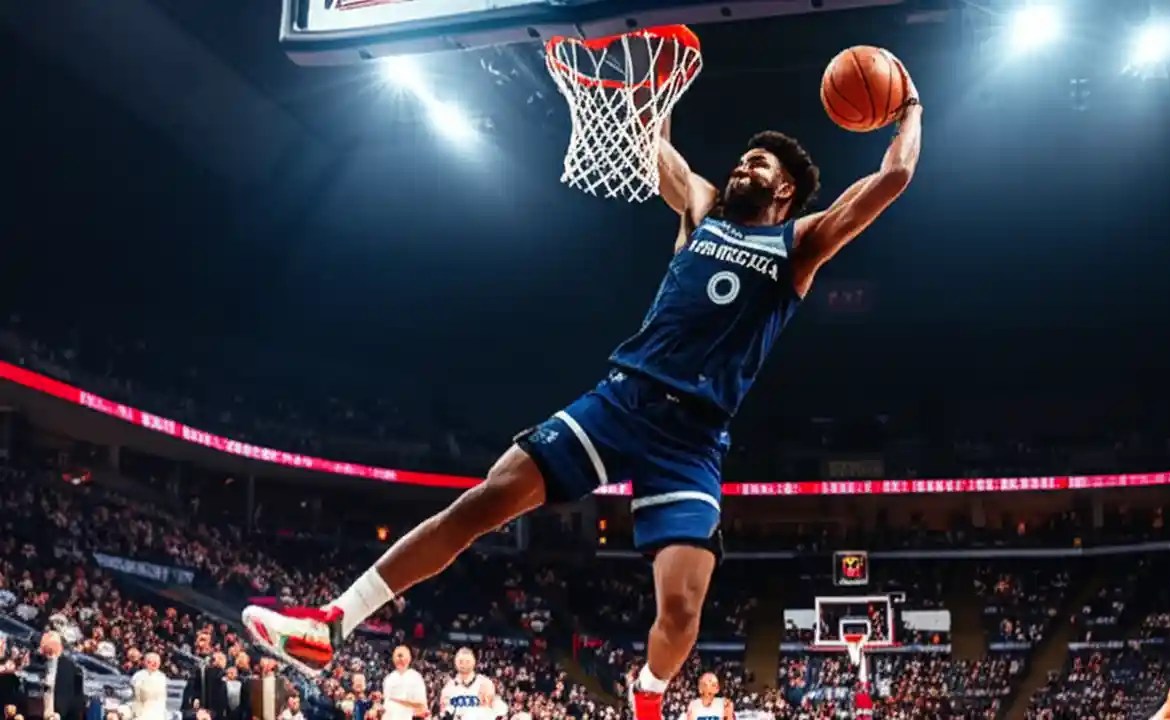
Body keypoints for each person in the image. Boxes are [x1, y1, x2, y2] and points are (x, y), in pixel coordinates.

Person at [243, 52, 922, 720]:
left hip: (691, 439)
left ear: (783, 192)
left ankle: (648, 691)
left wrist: (909, 105)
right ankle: (331, 623)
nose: (744, 166)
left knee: (682, 610)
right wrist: (652, 78)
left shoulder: (798, 246)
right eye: (745, 157)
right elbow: (653, 143)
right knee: (484, 501)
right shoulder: (703, 209)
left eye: (760, 165)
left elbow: (893, 177)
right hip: (621, 400)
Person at [439, 648, 496, 720]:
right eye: (461, 662)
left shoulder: (485, 683)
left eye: (467, 661)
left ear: (474, 662)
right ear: (456, 663)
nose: (464, 665)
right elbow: (444, 713)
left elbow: (489, 712)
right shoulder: (448, 687)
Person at [381, 646, 427, 720]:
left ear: (409, 658)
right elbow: (386, 704)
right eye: (397, 656)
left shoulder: (416, 677)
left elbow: (421, 705)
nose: (399, 658)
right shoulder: (388, 679)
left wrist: (398, 700)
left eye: (401, 655)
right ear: (393, 658)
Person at [131, 653, 169, 720]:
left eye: (156, 662)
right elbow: (137, 695)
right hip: (142, 708)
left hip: (158, 710)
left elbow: (162, 696)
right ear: (145, 663)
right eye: (150, 662)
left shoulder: (162, 677)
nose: (154, 664)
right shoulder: (138, 676)